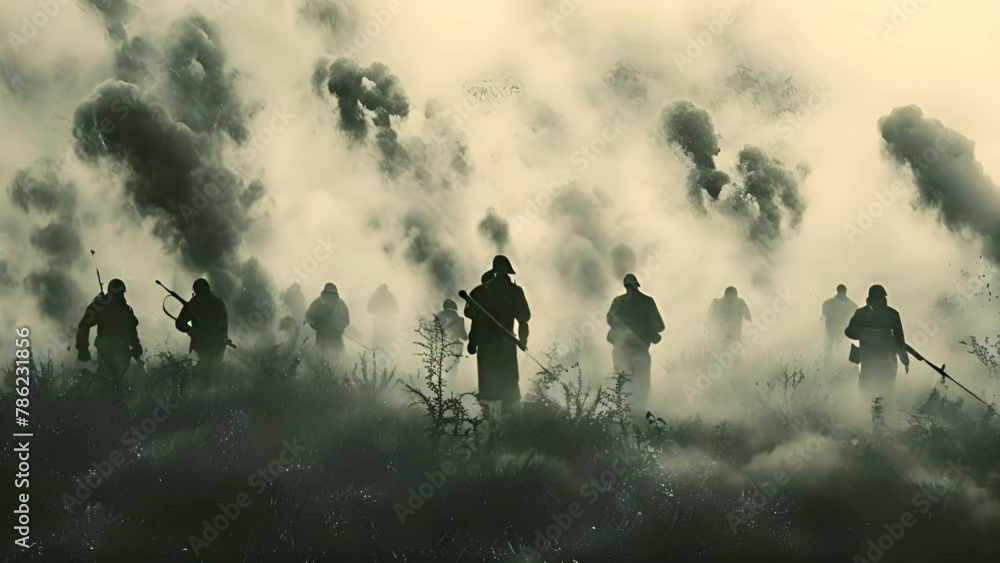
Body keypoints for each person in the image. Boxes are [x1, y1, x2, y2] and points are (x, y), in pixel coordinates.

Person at [465, 255, 530, 419]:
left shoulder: (481, 292)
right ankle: (509, 427)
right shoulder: (515, 292)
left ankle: (491, 426)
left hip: (487, 347)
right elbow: (524, 321)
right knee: (508, 387)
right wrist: (522, 341)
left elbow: (473, 317)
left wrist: (473, 342)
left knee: (490, 390)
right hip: (506, 345)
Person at [606, 274, 665, 411]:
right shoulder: (647, 301)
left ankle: (629, 413)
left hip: (627, 351)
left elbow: (610, 319)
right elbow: (660, 327)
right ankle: (637, 413)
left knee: (624, 384)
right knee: (638, 386)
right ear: (636, 285)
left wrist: (636, 326)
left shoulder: (619, 302)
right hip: (635, 351)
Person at [844, 284, 909, 403]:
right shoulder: (861, 313)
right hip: (869, 358)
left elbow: (899, 338)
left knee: (886, 389)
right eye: (877, 298)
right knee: (868, 389)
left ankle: (882, 413)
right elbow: (849, 331)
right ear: (871, 299)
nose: (879, 301)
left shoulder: (892, 314)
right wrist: (868, 333)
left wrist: (905, 359)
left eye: (881, 298)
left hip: (886, 358)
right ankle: (868, 413)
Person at [76, 278, 143, 388]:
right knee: (107, 379)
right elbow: (84, 325)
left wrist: (136, 349)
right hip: (108, 349)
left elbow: (132, 332)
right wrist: (83, 349)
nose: (119, 298)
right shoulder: (102, 307)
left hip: (121, 350)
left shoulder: (123, 309)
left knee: (114, 380)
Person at [174, 278, 229, 367]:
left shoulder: (194, 303)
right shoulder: (218, 302)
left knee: (199, 373)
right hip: (216, 346)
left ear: (195, 291)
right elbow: (224, 326)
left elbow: (180, 324)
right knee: (215, 372)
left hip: (199, 346)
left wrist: (191, 330)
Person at [306, 282, 351, 360]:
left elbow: (346, 321)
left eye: (332, 294)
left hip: (336, 338)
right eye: (328, 294)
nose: (330, 296)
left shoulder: (341, 305)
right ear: (325, 294)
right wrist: (318, 327)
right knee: (321, 359)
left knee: (338, 360)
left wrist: (339, 328)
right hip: (322, 338)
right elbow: (308, 317)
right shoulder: (317, 303)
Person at [821, 284, 858, 363]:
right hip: (837, 329)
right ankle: (831, 364)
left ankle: (832, 364)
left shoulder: (828, 303)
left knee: (836, 349)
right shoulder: (851, 305)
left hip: (837, 329)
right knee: (833, 349)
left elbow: (824, 316)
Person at [367, 283, 399, 349]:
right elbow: (396, 309)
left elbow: (369, 308)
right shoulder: (389, 296)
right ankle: (383, 349)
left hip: (382, 319)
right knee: (383, 335)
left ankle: (378, 349)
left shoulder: (376, 296)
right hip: (383, 319)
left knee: (381, 335)